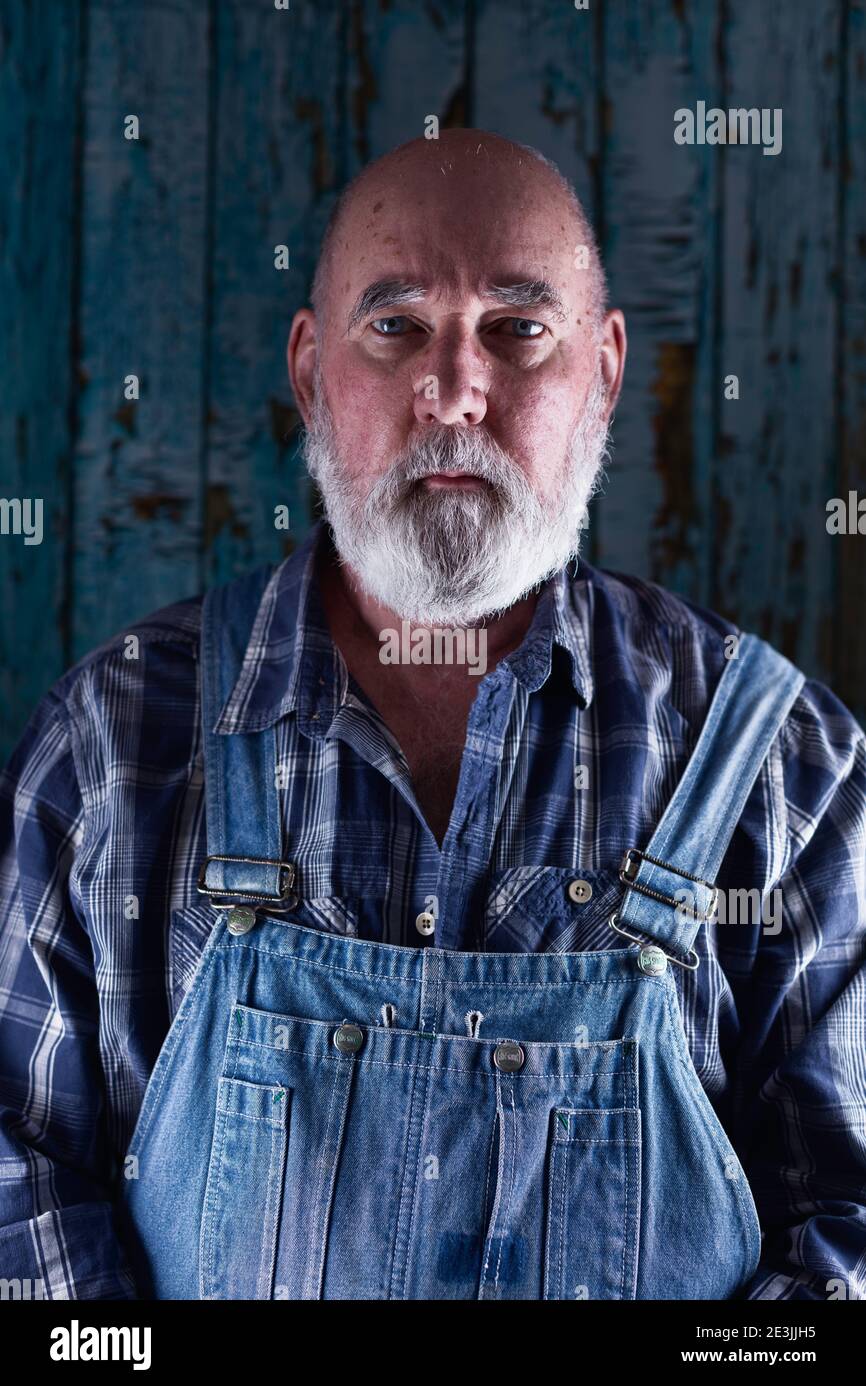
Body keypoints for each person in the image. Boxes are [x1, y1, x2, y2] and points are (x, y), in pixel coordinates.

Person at [0, 129, 863, 1301]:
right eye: (396, 326)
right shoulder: (110, 749)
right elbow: (19, 1191)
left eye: (516, 330)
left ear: (603, 373)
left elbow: (845, 1243)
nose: (453, 390)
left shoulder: (779, 769)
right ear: (310, 371)